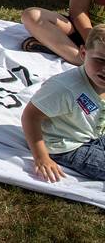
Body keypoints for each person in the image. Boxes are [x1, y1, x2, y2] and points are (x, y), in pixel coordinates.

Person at [22, 24, 105, 184]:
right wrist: (41, 157)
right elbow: (30, 116)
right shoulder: (65, 88)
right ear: (83, 53)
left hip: (92, 133)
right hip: (65, 144)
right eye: (100, 60)